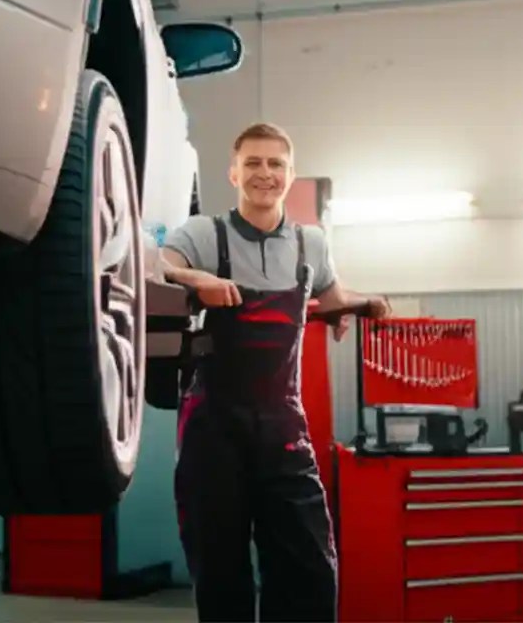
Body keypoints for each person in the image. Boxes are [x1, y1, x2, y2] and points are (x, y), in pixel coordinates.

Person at [160, 122, 392, 623]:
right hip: (212, 426)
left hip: (282, 425)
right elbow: (160, 263)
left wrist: (362, 304)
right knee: (220, 572)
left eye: (275, 164)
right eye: (253, 163)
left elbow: (330, 294)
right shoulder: (205, 235)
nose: (265, 174)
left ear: (290, 175)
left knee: (310, 567)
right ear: (234, 172)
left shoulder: (311, 244)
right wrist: (197, 278)